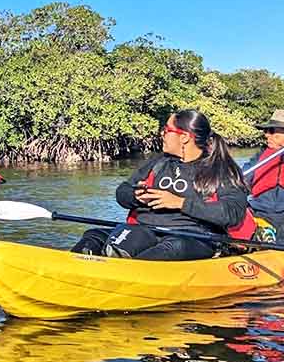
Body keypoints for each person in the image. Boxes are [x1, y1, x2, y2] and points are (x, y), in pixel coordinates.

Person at [71, 109, 249, 260]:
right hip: (145, 230)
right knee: (94, 235)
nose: (161, 134)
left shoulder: (222, 170)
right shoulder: (158, 162)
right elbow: (122, 191)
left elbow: (233, 213)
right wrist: (136, 196)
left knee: (174, 246)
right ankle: (73, 271)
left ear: (185, 137)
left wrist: (180, 203)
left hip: (191, 237)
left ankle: (126, 275)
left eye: (166, 130)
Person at [241, 109, 284, 242]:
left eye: (272, 131)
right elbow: (242, 180)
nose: (266, 135)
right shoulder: (260, 157)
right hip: (257, 210)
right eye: (266, 131)